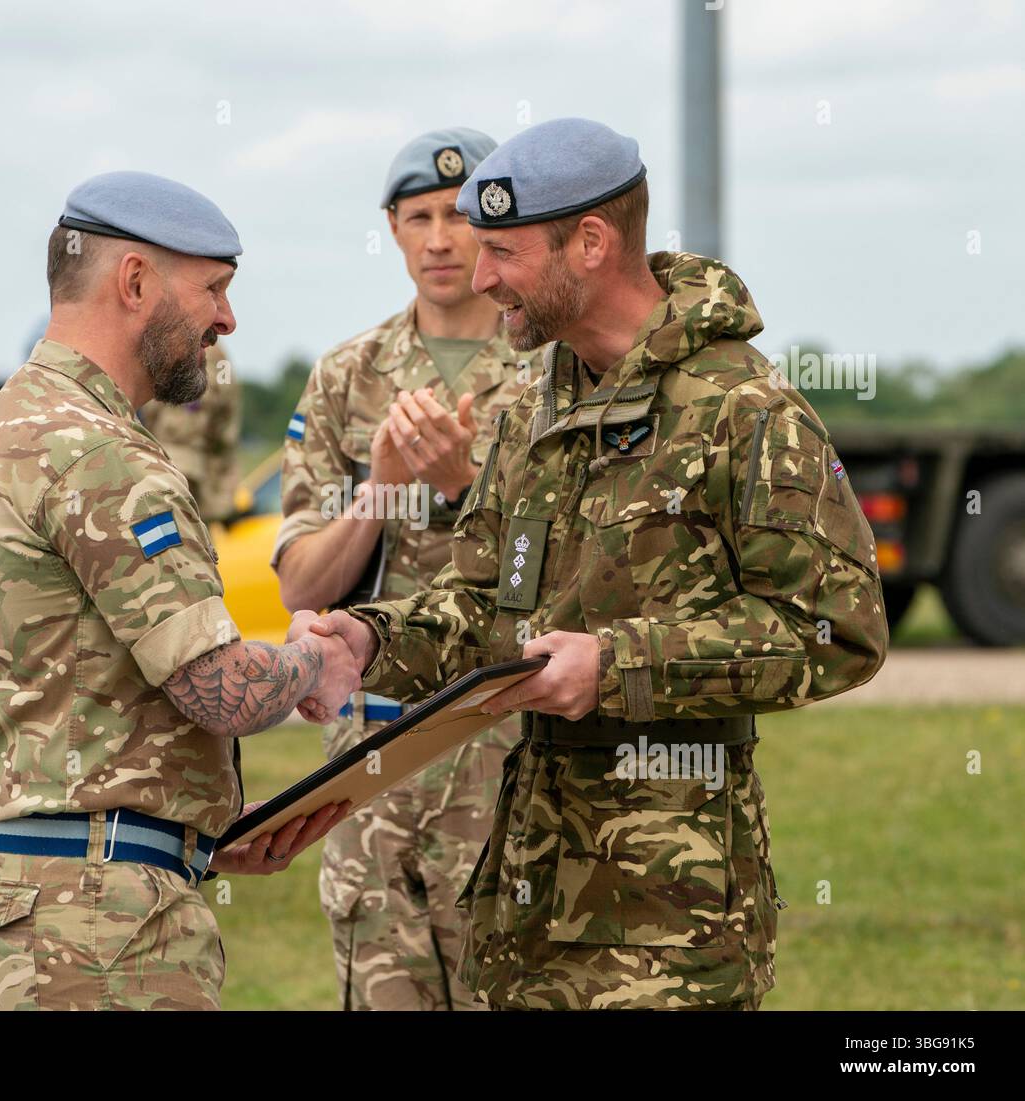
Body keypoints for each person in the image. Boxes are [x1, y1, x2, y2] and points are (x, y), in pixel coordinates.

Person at [295, 117, 888, 1010]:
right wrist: (365, 641)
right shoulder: (538, 411)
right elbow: (485, 605)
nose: (480, 275)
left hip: (667, 924)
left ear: (592, 244)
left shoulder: (744, 410)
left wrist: (617, 666)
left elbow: (837, 630)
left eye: (503, 251)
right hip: (527, 909)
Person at [0, 171, 355, 1011]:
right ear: (134, 283)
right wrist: (309, 659)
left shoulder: (18, 421)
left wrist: (194, 829)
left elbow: (61, 692)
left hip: (18, 895)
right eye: (214, 289)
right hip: (89, 927)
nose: (226, 321)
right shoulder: (99, 453)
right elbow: (220, 689)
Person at [273, 127, 531, 1011]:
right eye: (418, 216)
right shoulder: (349, 376)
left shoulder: (552, 370)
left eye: (461, 216)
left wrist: (464, 489)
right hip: (372, 752)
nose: (440, 238)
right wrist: (378, 493)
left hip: (500, 740)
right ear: (391, 228)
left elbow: (566, 573)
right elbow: (301, 588)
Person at [139, 341, 240, 526]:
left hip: (163, 461)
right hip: (194, 466)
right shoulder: (217, 356)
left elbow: (146, 407)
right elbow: (225, 424)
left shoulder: (166, 341)